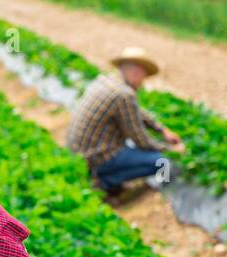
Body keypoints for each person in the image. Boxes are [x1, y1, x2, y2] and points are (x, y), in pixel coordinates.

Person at [65, 47, 183, 199]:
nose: (142, 83)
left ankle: (107, 177)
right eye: (143, 77)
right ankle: (104, 181)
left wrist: (162, 130)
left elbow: (136, 111)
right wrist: (171, 150)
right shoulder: (124, 94)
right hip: (96, 158)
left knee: (133, 149)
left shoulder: (107, 81)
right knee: (163, 162)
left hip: (79, 153)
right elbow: (140, 140)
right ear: (137, 72)